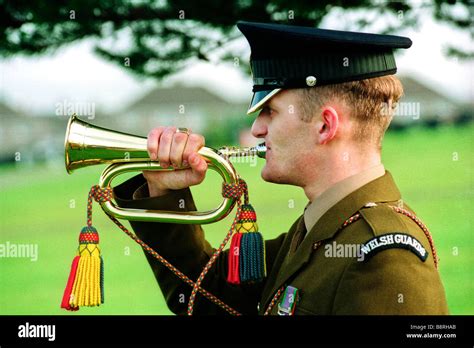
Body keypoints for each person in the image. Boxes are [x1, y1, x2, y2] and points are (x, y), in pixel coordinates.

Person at [113, 21, 448, 315]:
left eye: (270, 111)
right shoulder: (322, 227)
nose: (257, 129)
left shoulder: (385, 257)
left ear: (324, 126)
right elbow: (206, 297)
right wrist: (161, 191)